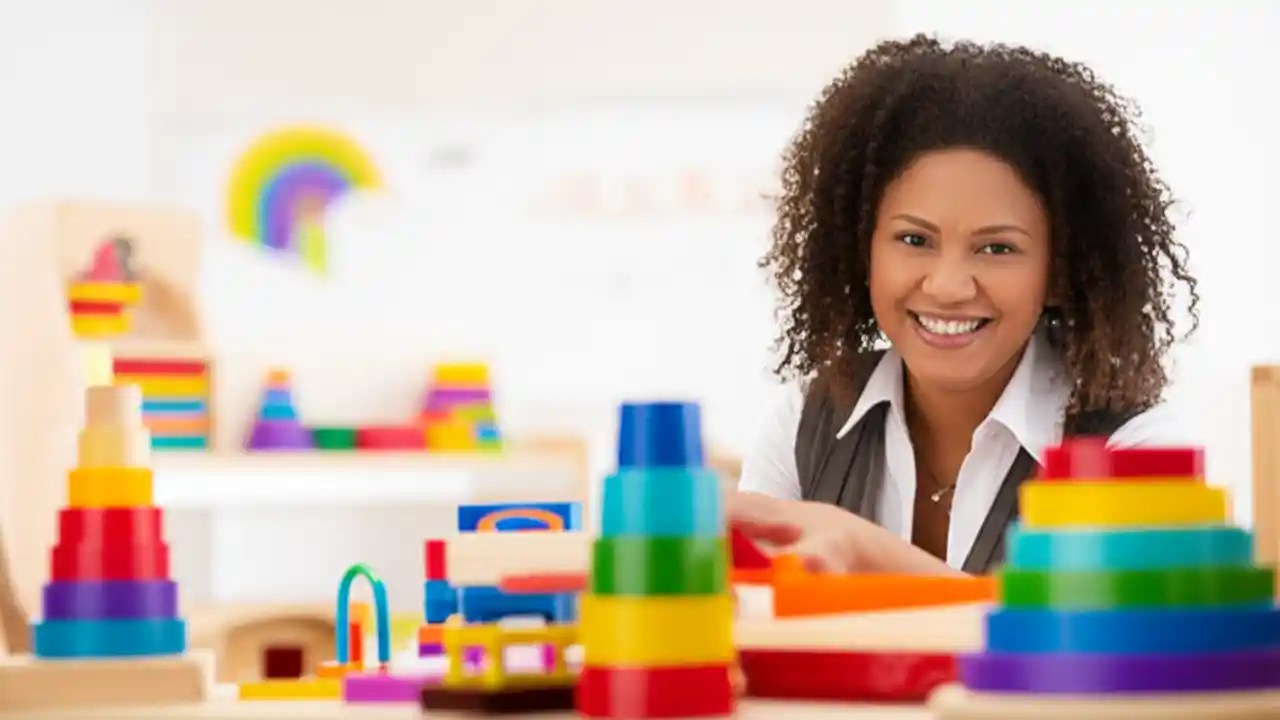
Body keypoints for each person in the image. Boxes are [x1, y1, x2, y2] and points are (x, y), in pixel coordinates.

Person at [733, 35, 1199, 576]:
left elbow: (1104, 646)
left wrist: (870, 554)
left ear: (1060, 272)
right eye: (914, 240)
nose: (949, 285)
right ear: (862, 250)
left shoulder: (1135, 453)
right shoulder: (805, 424)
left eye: (997, 248)